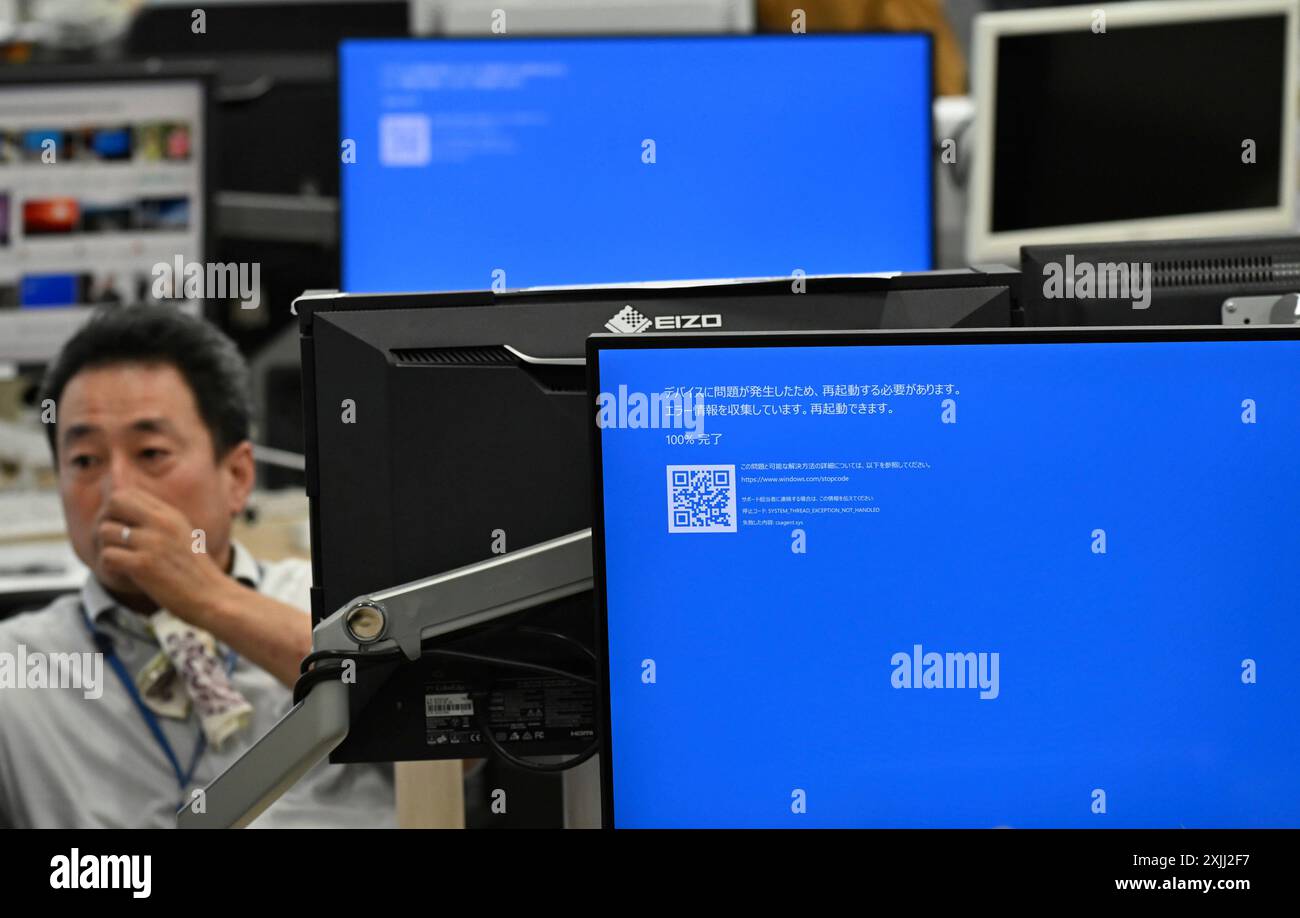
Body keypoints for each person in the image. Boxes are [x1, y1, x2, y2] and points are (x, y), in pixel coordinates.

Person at [0, 305, 395, 828]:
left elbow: (448, 738)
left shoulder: (346, 610)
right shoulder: (18, 667)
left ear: (236, 476)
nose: (117, 490)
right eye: (85, 461)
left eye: (151, 452)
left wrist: (209, 598)